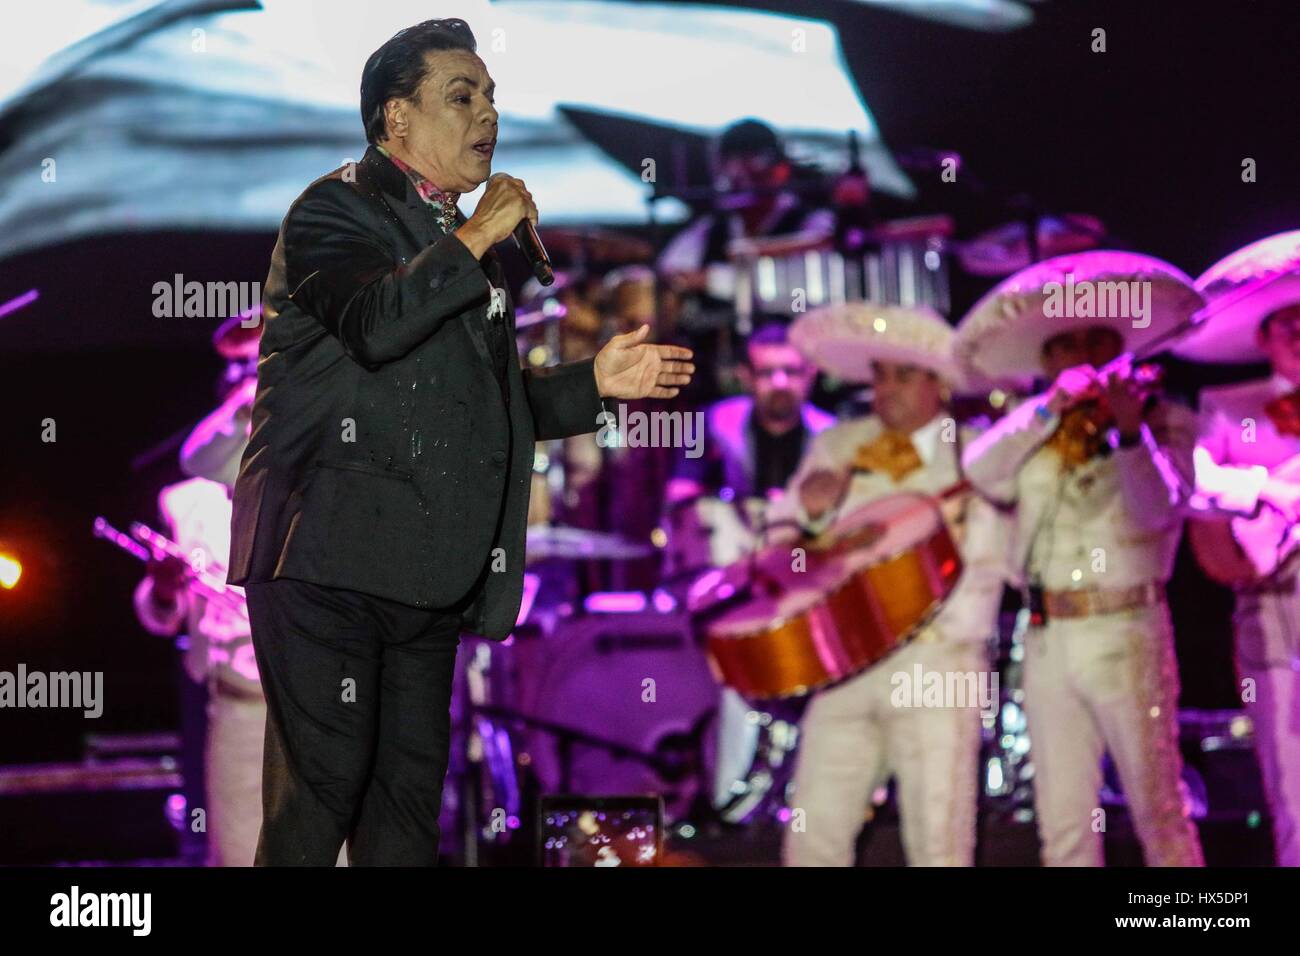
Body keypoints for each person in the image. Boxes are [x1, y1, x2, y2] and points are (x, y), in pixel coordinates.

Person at [227, 18, 692, 866]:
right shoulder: (334, 209)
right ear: (395, 117)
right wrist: (478, 237)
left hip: (426, 565)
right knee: (321, 793)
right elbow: (374, 323)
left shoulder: (464, 250)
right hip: (326, 553)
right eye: (462, 96)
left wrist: (594, 383)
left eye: (491, 98)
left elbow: (485, 406)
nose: (489, 116)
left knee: (406, 812)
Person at [955, 252, 1205, 866]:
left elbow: (1158, 510)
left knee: (1159, 810)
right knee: (1062, 823)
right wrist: (1046, 410)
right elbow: (978, 468)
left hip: (1127, 629)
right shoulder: (1032, 434)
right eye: (1065, 347)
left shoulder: (1164, 422)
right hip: (1047, 637)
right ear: (1047, 363)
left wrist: (1127, 431)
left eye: (1097, 342)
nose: (1081, 358)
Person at [768, 305, 1010, 866]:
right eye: (878, 374)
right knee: (811, 839)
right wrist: (808, 514)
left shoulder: (981, 454)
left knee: (939, 843)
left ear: (940, 385)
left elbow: (1010, 561)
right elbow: (775, 552)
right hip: (847, 662)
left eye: (903, 375)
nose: (885, 389)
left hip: (940, 664)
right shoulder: (838, 445)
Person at [1175, 232, 1300, 866]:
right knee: (1294, 793)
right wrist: (1268, 492)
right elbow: (1188, 481)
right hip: (1277, 619)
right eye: (1288, 324)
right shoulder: (1228, 409)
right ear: (1264, 338)